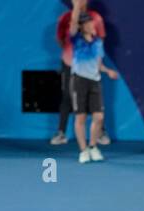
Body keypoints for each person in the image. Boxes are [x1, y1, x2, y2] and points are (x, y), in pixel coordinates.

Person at [50, 0, 108, 147]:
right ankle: (61, 133)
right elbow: (62, 38)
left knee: (95, 101)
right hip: (70, 64)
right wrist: (72, 54)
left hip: (91, 68)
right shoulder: (66, 18)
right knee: (67, 96)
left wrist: (97, 64)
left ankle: (100, 133)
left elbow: (99, 41)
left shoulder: (96, 18)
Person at [68, 6, 120, 163]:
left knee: (99, 117)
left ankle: (92, 147)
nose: (92, 24)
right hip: (79, 80)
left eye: (91, 22)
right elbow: (73, 24)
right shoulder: (76, 39)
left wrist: (108, 71)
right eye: (88, 23)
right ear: (82, 26)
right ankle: (83, 151)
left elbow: (98, 65)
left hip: (95, 81)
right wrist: (77, 7)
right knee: (81, 117)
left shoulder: (98, 43)